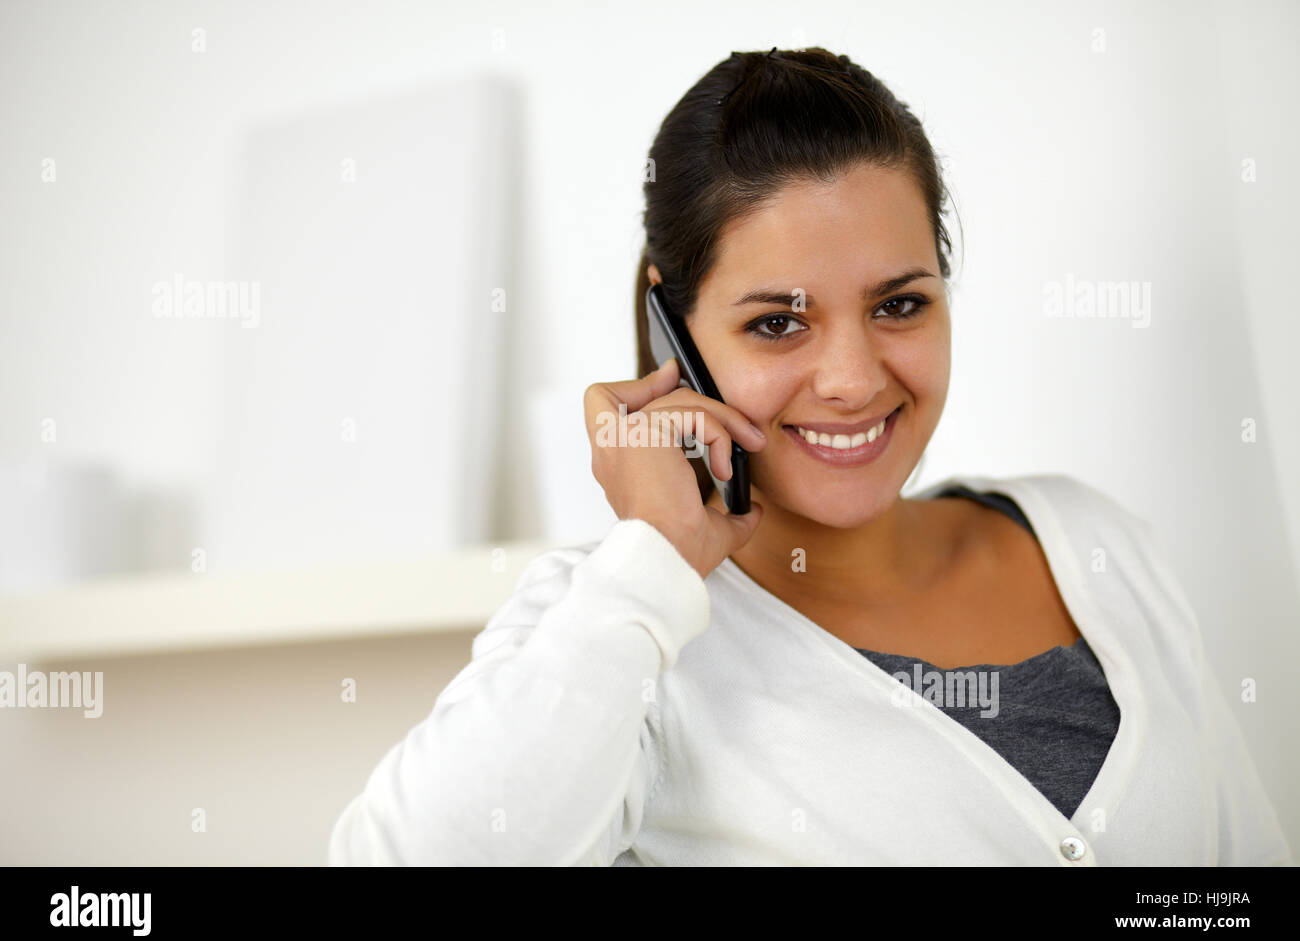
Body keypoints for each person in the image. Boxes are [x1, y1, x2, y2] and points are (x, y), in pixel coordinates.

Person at [328, 47, 1292, 866]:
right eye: (778, 322)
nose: (851, 378)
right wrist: (652, 559)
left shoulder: (1094, 539)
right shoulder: (618, 625)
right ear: (678, 343)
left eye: (898, 304)